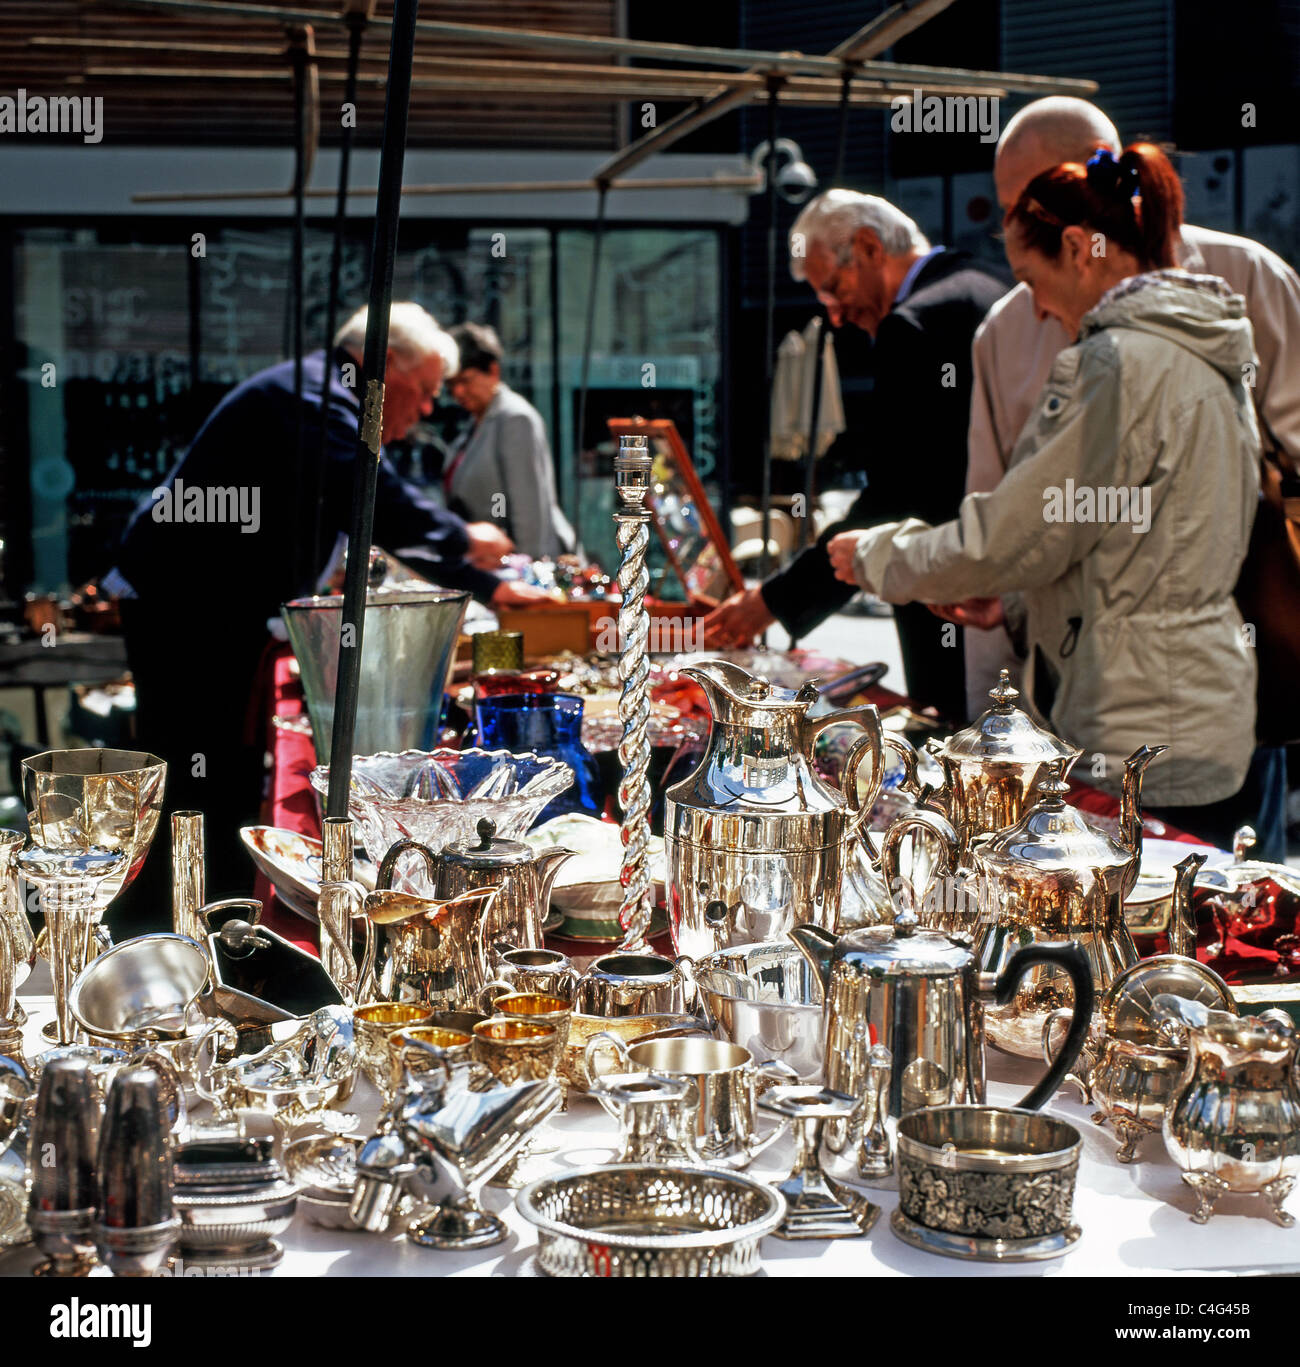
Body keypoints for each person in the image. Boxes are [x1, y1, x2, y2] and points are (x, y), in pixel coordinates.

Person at [827, 143, 1261, 834]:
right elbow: (1126, 540)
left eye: (1029, 278)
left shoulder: (1116, 363)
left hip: (1135, 732)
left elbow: (1014, 535)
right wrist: (1020, 602)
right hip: (1199, 716)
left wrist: (879, 557)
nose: (1029, 305)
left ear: (1077, 248)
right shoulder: (1201, 351)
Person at [113, 302, 555, 917]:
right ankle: (177, 917)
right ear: (388, 363)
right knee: (196, 773)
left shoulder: (327, 392)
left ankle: (212, 902)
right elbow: (370, 493)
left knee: (218, 769)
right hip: (185, 605)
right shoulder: (318, 395)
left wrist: (483, 581)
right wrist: (465, 541)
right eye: (425, 391)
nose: (428, 408)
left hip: (203, 603)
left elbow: (365, 508)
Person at [953, 96, 1300, 857]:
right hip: (1076, 717)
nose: (1024, 229)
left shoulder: (1248, 277)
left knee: (1223, 913)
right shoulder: (1006, 333)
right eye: (1012, 211)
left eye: (1037, 203)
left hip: (1229, 700)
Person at [702, 191, 1006, 722]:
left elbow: (892, 499)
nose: (837, 317)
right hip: (1009, 583)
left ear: (868, 246)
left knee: (958, 753)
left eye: (834, 290)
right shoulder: (989, 282)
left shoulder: (912, 325)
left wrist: (772, 600)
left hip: (952, 601)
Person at [445, 322, 575, 560]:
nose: (458, 393)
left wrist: (528, 572)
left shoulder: (515, 418)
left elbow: (529, 510)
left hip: (520, 567)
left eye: (465, 380)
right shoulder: (476, 423)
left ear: (493, 371)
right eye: (451, 384)